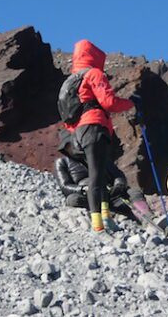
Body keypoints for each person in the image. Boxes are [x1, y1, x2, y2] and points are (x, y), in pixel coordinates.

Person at [64, 39, 137, 233]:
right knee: (97, 176)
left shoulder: (72, 80)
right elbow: (109, 102)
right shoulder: (93, 73)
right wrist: (131, 103)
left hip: (79, 132)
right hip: (95, 127)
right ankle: (98, 225)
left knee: (100, 174)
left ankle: (106, 218)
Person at [54, 131, 156, 221]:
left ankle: (147, 217)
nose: (73, 147)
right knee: (73, 200)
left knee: (134, 192)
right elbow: (64, 186)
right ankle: (108, 216)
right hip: (87, 196)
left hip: (110, 192)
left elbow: (117, 174)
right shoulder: (61, 162)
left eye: (74, 143)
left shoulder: (95, 153)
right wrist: (84, 189)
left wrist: (119, 184)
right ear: (64, 148)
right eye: (68, 146)